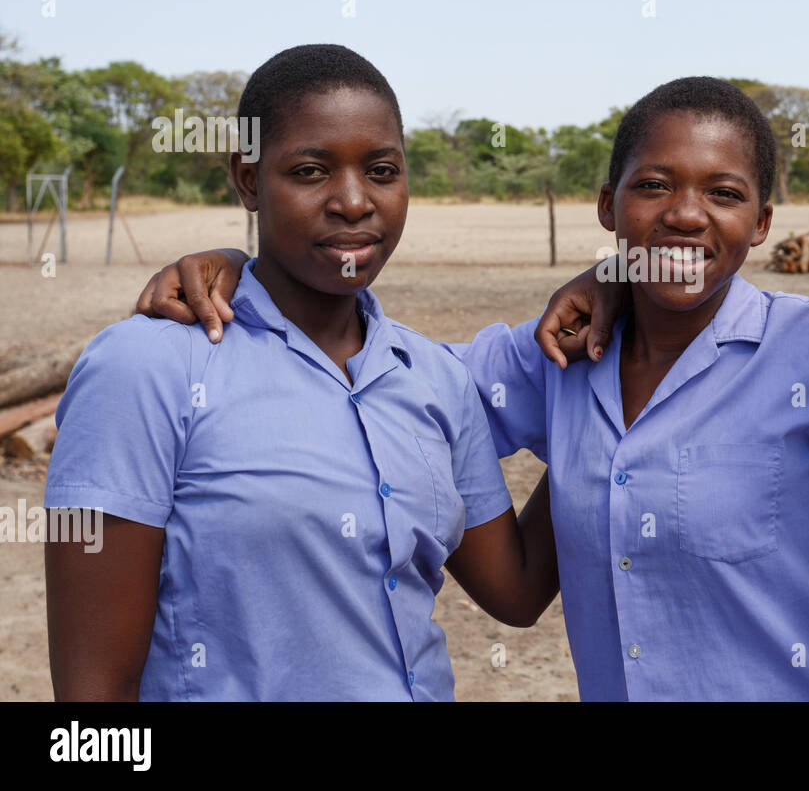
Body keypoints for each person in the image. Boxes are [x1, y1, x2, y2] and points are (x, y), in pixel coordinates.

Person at [136, 76, 809, 701]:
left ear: (762, 220)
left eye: (724, 192)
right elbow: (375, 395)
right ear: (609, 206)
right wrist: (245, 270)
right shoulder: (550, 355)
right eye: (652, 186)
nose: (686, 214)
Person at [45, 44, 558, 701]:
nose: (353, 201)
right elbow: (92, 702)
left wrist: (605, 417)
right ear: (249, 179)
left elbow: (515, 594)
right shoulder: (145, 368)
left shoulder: (436, 379)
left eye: (381, 170)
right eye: (311, 171)